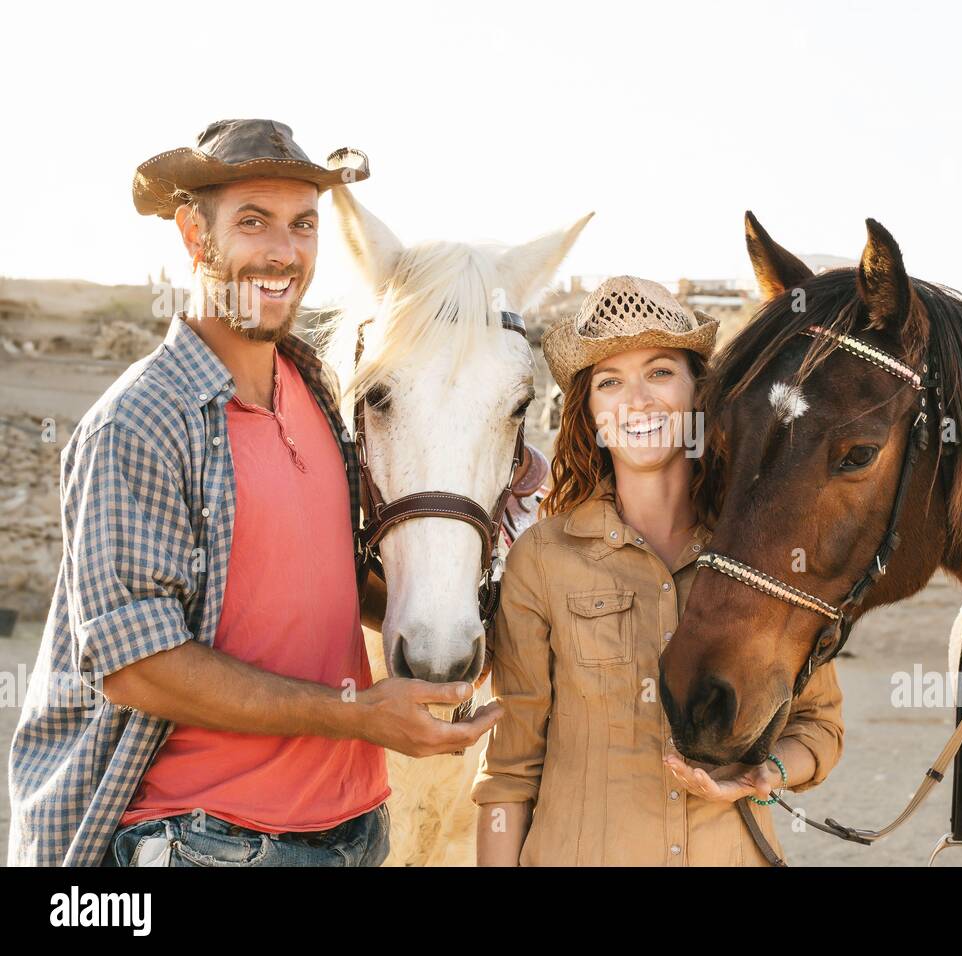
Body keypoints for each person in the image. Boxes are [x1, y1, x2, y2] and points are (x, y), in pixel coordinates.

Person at [7, 119, 499, 867]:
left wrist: (451, 617)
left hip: (353, 834)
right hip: (204, 839)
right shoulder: (141, 421)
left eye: (303, 225)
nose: (282, 251)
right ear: (194, 236)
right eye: (252, 222)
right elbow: (137, 665)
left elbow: (324, 574)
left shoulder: (315, 392)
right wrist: (356, 715)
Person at [472, 276, 844, 865]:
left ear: (702, 391)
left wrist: (764, 773)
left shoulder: (763, 553)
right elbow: (510, 773)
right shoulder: (542, 559)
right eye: (610, 382)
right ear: (588, 412)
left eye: (661, 371)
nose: (637, 400)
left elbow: (818, 725)